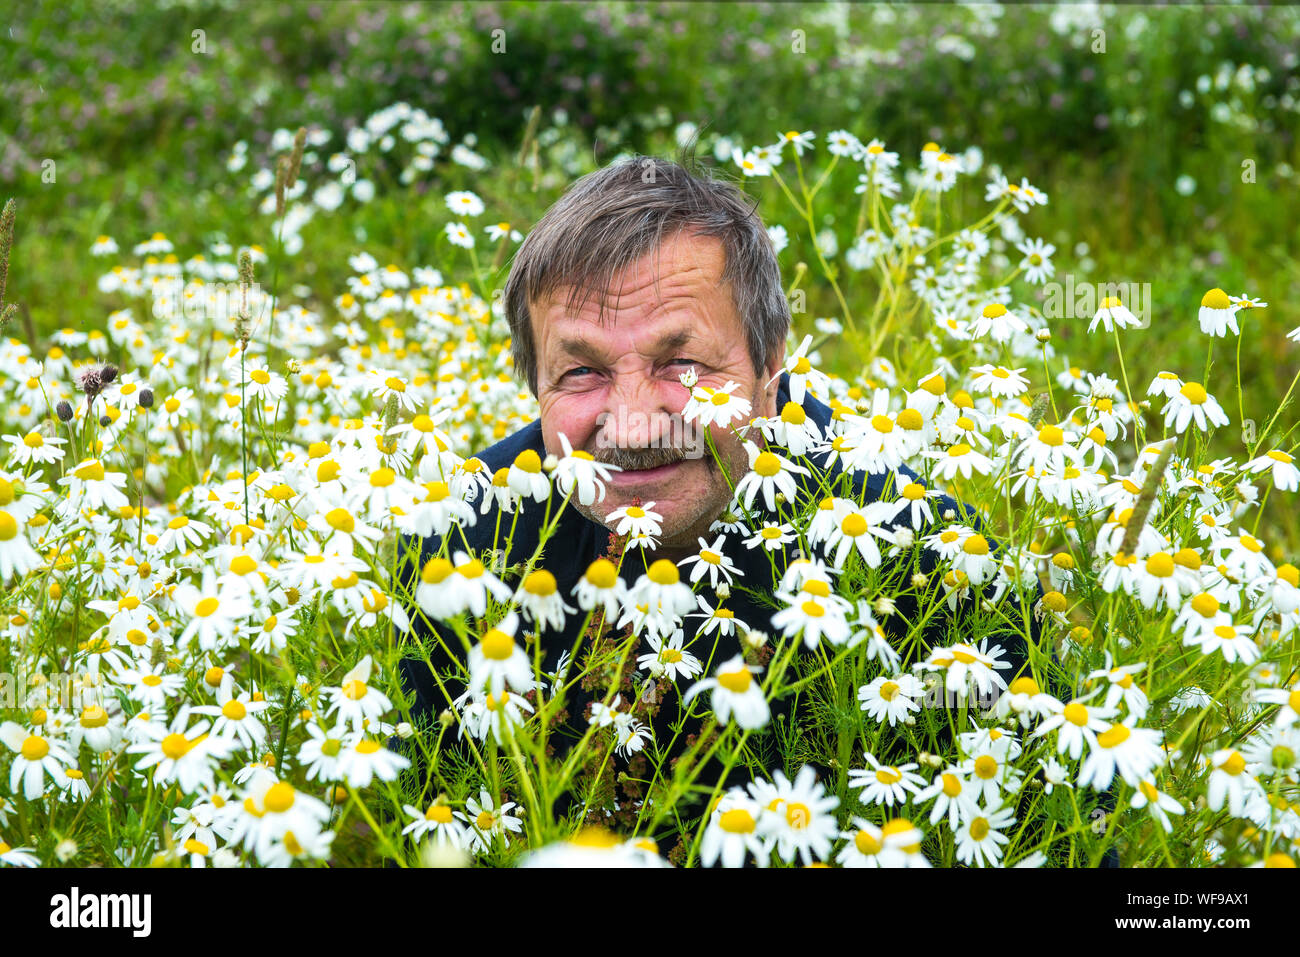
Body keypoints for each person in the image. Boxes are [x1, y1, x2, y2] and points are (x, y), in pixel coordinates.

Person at [394, 152, 1071, 862]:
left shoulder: (932, 570)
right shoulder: (461, 540)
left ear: (769, 369)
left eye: (680, 363)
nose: (629, 426)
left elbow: (1059, 835)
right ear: (534, 384)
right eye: (583, 371)